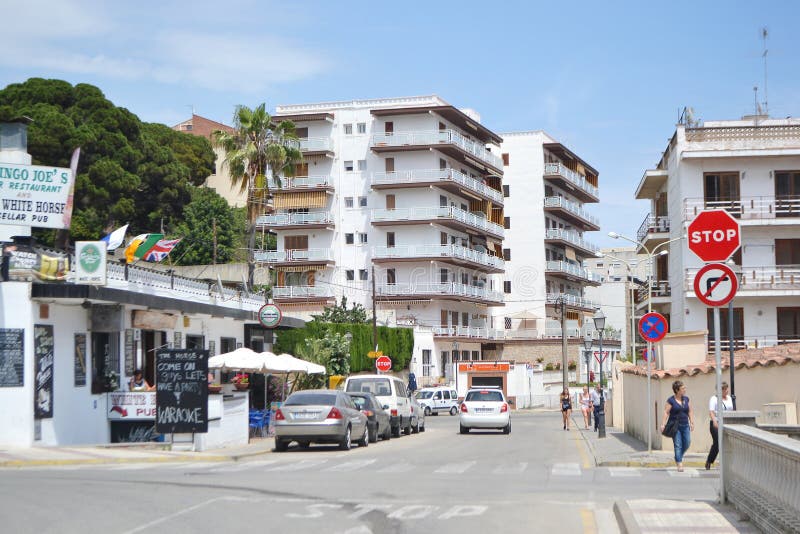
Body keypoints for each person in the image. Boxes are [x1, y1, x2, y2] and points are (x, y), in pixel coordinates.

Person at [660, 380, 695, 472]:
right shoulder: (671, 400)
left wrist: (691, 422)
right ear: (677, 390)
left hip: (685, 425)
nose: (685, 389)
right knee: (678, 445)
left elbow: (690, 411)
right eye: (683, 388)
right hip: (675, 426)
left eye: (684, 388)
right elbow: (666, 412)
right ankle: (679, 463)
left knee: (687, 443)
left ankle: (677, 456)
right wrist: (663, 424)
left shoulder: (686, 399)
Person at [706, 381, 733, 470]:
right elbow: (711, 411)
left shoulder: (729, 398)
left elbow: (731, 410)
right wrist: (714, 421)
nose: (727, 391)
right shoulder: (714, 399)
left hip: (727, 423)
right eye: (725, 389)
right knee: (717, 443)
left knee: (727, 443)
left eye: (727, 388)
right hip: (716, 423)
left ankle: (725, 463)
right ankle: (709, 461)